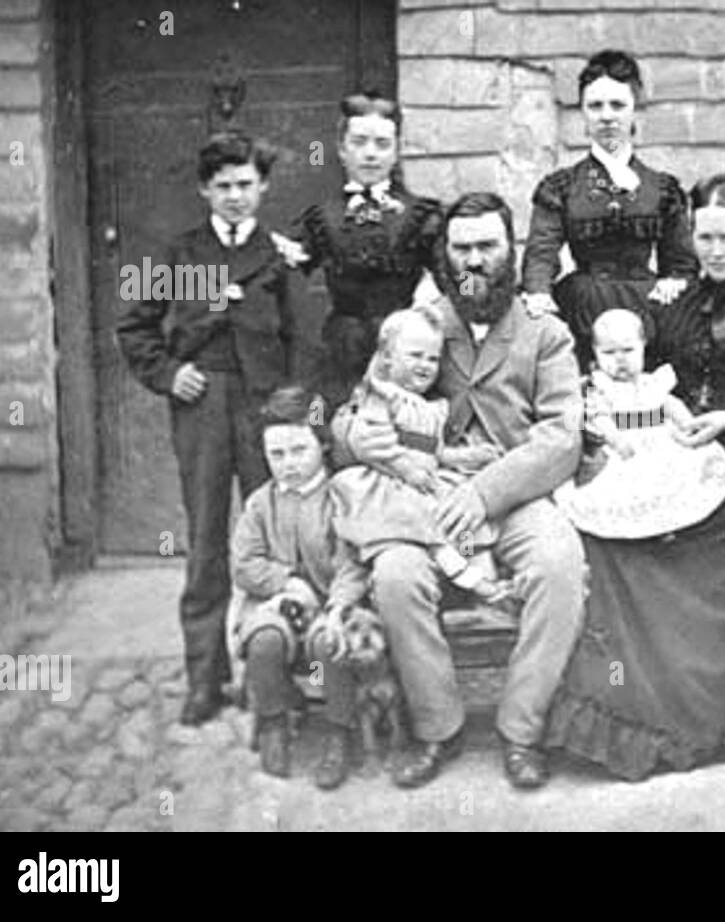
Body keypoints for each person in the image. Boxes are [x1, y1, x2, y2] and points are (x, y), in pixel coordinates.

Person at [545, 172, 725, 781]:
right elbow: (626, 367)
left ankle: (723, 725)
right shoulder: (670, 302)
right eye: (704, 237)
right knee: (613, 549)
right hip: (660, 455)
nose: (714, 250)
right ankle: (635, 725)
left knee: (716, 560)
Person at [333, 192, 586, 791]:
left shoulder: (544, 333)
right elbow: (354, 412)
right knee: (395, 575)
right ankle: (438, 728)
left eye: (487, 247)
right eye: (461, 248)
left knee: (559, 566)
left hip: (514, 490)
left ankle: (521, 729)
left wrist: (484, 494)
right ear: (444, 255)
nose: (474, 261)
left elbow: (561, 438)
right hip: (419, 492)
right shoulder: (419, 326)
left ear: (512, 251)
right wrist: (362, 437)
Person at [117, 130, 307, 726]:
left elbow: (301, 334)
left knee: (272, 538)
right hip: (202, 406)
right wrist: (170, 374)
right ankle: (205, 678)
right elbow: (133, 326)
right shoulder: (175, 255)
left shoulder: (279, 256)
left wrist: (292, 405)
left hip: (265, 413)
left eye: (246, 184)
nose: (235, 196)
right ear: (204, 189)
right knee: (205, 541)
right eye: (223, 186)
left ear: (264, 186)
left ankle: (271, 672)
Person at [229, 387, 370, 789]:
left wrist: (338, 607)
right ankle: (274, 721)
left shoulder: (341, 497)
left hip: (333, 607)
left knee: (332, 645)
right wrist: (286, 581)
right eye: (277, 455)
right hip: (281, 604)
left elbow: (353, 562)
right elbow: (243, 562)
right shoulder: (261, 504)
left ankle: (339, 730)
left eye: (299, 451)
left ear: (323, 446)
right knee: (264, 641)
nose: (288, 464)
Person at [522, 49, 697, 367]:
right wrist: (538, 292)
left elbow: (682, 265)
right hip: (582, 304)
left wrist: (674, 282)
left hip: (647, 307)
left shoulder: (662, 188)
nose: (606, 116)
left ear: (635, 113)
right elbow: (540, 254)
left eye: (618, 105)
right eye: (595, 106)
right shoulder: (561, 187)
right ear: (584, 116)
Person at [276, 91, 444, 413]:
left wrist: (459, 289)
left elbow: (454, 276)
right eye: (359, 142)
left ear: (397, 152)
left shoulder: (420, 215)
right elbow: (286, 267)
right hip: (342, 350)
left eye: (382, 144)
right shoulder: (322, 217)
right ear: (341, 149)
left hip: (402, 351)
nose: (370, 154)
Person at [330, 304, 512, 601]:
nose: (425, 365)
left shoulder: (426, 406)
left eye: (433, 359)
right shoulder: (382, 397)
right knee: (432, 528)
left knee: (466, 521)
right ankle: (471, 581)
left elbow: (432, 449)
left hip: (424, 480)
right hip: (394, 485)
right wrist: (405, 468)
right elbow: (372, 445)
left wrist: (464, 457)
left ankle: (481, 575)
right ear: (387, 358)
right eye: (415, 356)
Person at [553, 307, 725, 539]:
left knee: (677, 473)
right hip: (624, 447)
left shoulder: (653, 381)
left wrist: (688, 424)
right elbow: (598, 417)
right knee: (626, 486)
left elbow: (669, 404)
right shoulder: (600, 386)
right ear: (595, 352)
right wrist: (615, 438)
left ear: (643, 346)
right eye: (609, 353)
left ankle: (672, 521)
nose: (620, 360)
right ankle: (639, 528)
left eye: (628, 350)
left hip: (659, 440)